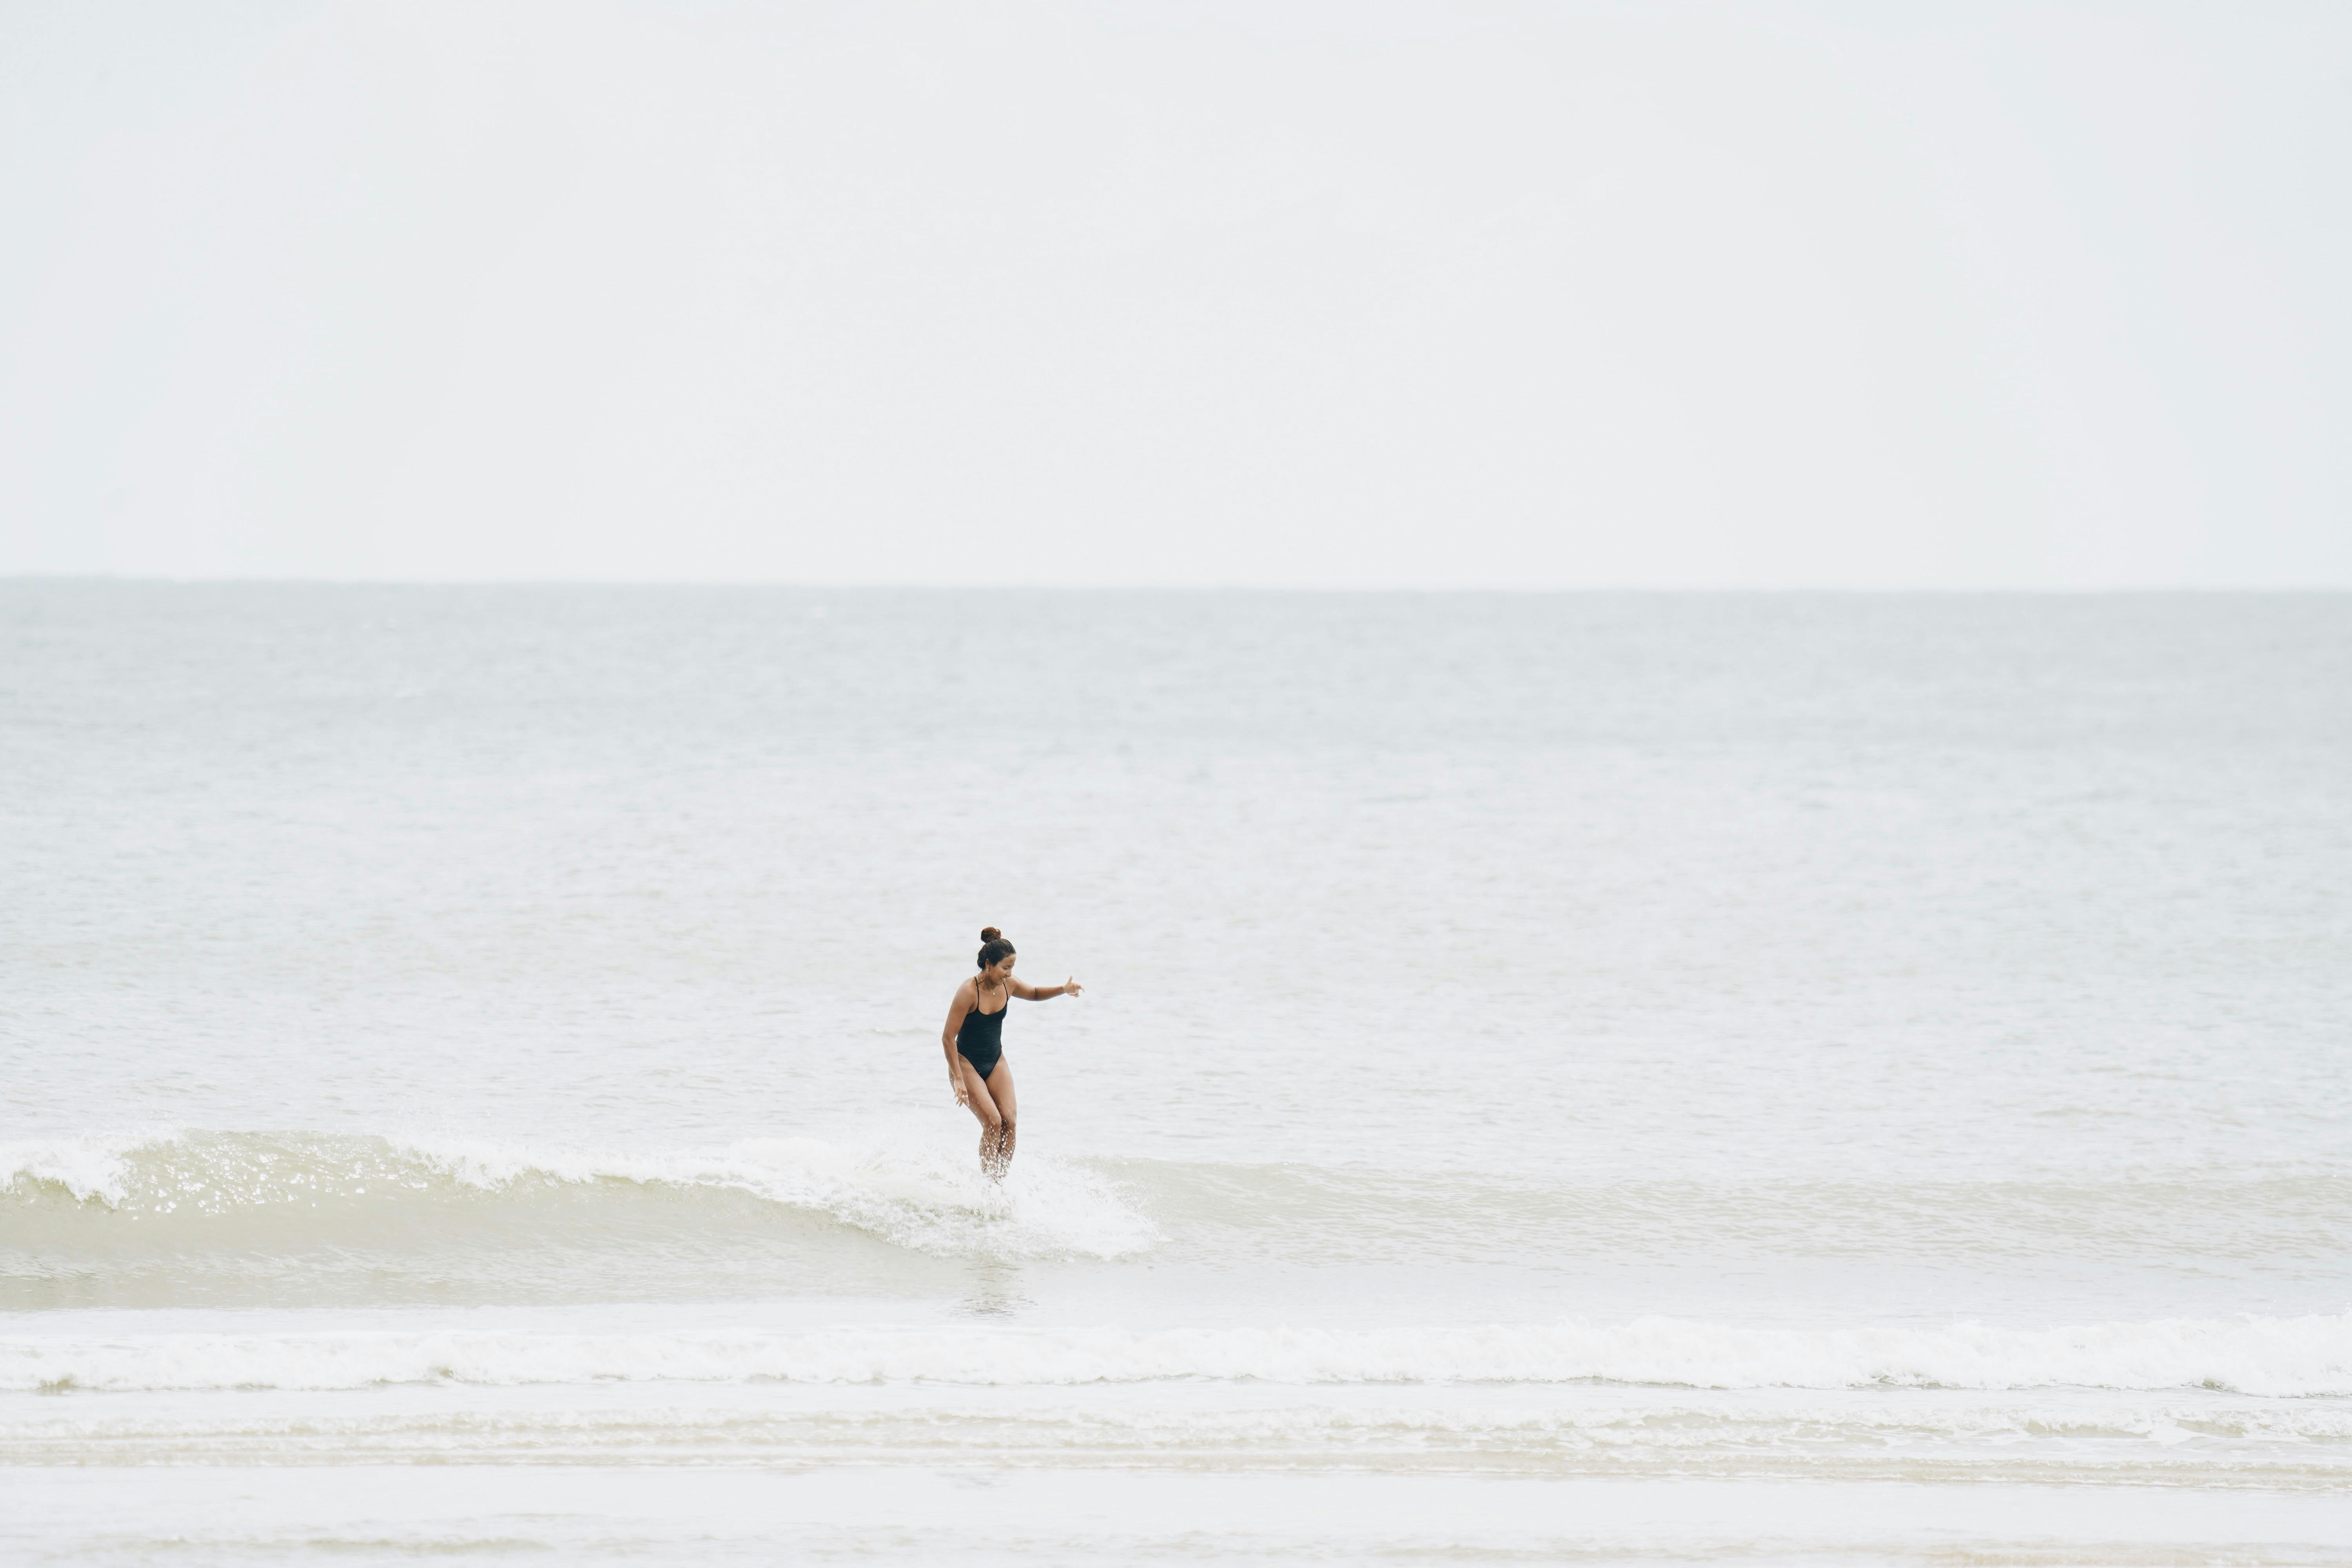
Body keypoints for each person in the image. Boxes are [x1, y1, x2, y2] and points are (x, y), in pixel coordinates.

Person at [942, 927, 1081, 1177]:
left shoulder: (1008, 985)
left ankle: (999, 1183)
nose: (1010, 974)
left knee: (1010, 1122)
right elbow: (948, 1038)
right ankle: (987, 1186)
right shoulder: (968, 992)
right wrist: (959, 1080)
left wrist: (1063, 989)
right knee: (993, 1122)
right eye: (1005, 968)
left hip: (995, 1060)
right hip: (966, 1064)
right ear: (988, 965)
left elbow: (1035, 993)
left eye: (1012, 968)